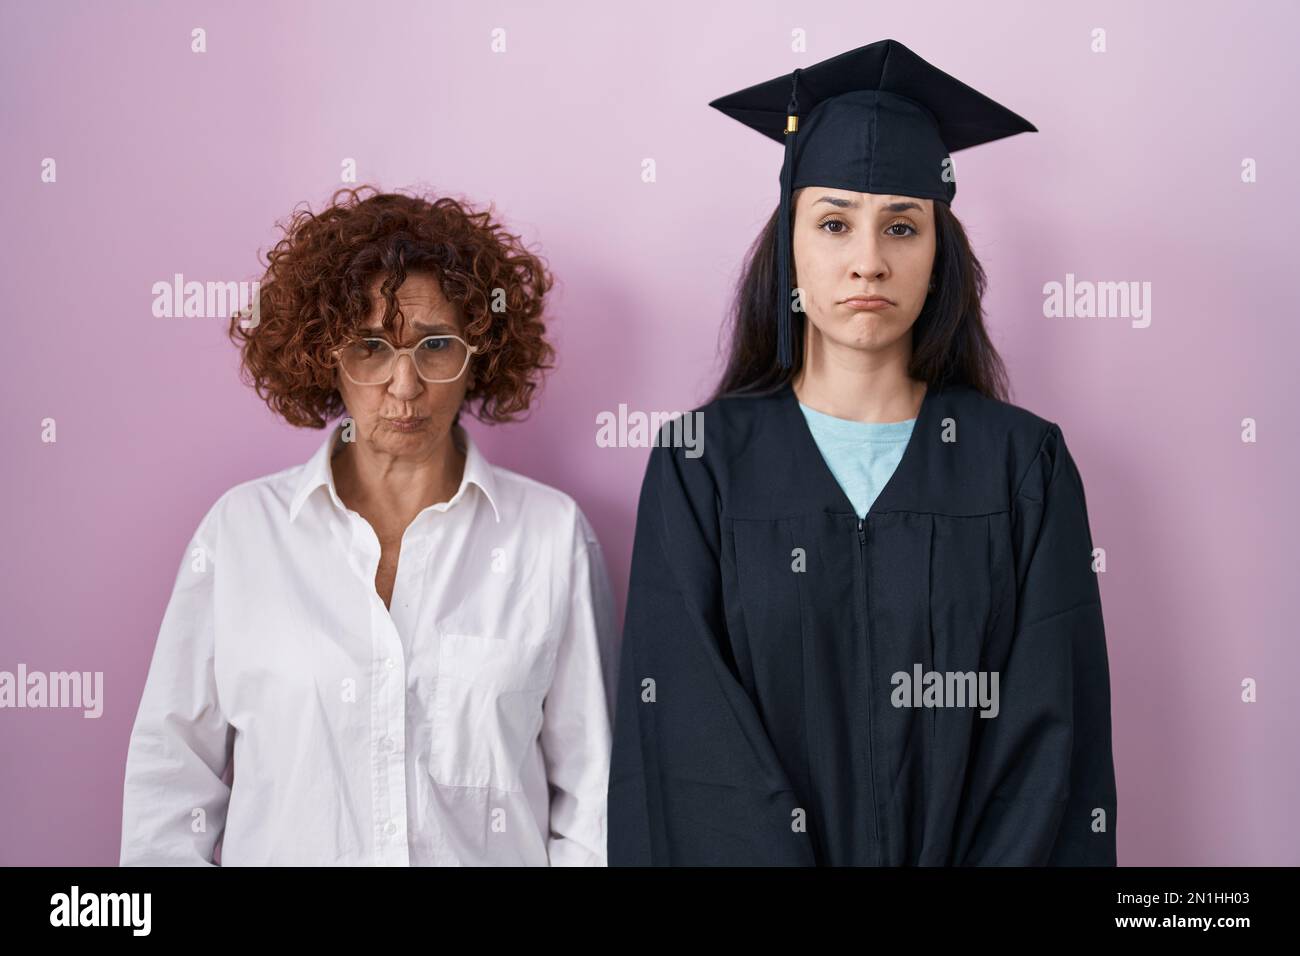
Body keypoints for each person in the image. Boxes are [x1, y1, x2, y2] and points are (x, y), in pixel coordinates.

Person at [608, 39, 1118, 865]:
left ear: (938, 254)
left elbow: (1049, 736)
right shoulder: (702, 464)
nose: (868, 260)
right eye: (836, 222)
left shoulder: (1023, 467)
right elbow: (687, 741)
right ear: (792, 248)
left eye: (903, 226)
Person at [120, 187, 615, 866]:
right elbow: (168, 786)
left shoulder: (550, 537)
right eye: (371, 348)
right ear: (325, 355)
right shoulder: (241, 535)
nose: (405, 385)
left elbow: (594, 796)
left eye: (436, 345)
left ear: (481, 353)